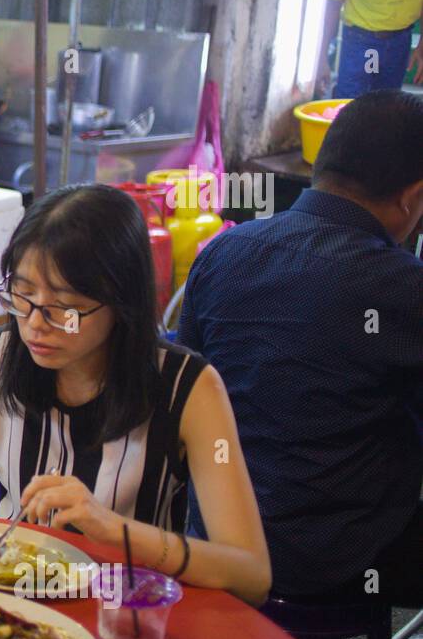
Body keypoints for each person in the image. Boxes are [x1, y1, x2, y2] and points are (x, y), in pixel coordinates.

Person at [0, 185, 272, 606]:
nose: (34, 324)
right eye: (23, 294)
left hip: (124, 615)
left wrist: (112, 529)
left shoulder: (189, 389)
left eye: (64, 307)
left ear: (122, 304)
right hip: (3, 599)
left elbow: (251, 574)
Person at [178, 90, 423, 607]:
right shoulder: (403, 287)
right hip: (337, 561)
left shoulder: (226, 251)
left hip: (217, 543)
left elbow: (188, 383)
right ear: (411, 197)